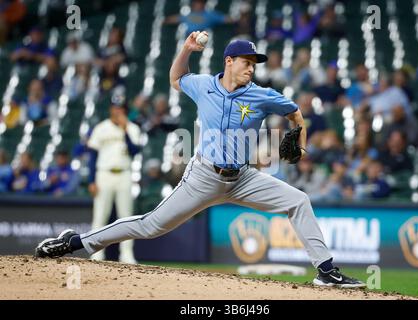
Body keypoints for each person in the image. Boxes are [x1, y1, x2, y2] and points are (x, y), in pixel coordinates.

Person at [35, 35, 365, 288]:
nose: (251, 67)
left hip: (243, 179)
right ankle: (77, 242)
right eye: (246, 61)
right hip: (203, 176)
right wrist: (186, 50)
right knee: (150, 226)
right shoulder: (204, 85)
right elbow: (176, 79)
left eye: (255, 63)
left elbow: (295, 112)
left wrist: (300, 143)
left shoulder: (262, 95)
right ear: (230, 61)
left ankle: (325, 271)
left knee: (298, 200)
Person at [85, 93, 141, 264]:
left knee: (126, 217)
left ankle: (126, 255)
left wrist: (125, 130)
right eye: (115, 108)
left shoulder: (132, 129)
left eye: (121, 108)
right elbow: (92, 156)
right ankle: (96, 254)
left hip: (124, 174)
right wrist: (91, 180)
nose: (117, 111)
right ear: (110, 109)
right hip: (104, 174)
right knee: (100, 216)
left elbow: (134, 151)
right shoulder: (101, 128)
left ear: (125, 110)